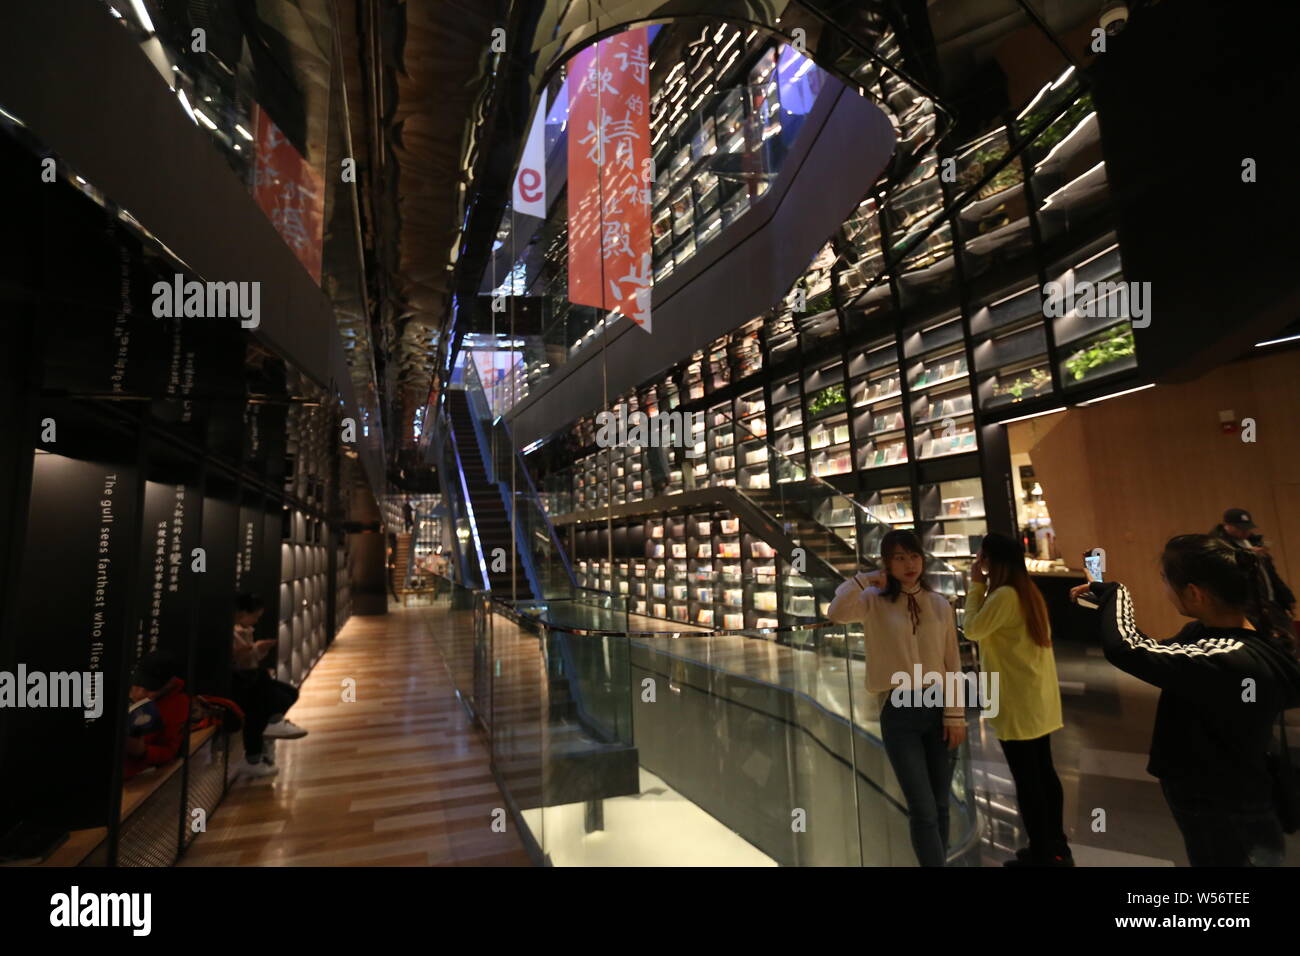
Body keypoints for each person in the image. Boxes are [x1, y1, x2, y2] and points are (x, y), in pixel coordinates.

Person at [1072, 534, 1300, 866]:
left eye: (1165, 581)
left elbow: (1128, 650)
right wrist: (1103, 599)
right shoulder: (1207, 636)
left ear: (1194, 593)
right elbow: (1153, 653)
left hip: (1223, 800)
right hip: (1211, 795)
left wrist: (1117, 594)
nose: (1164, 589)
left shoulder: (1230, 657)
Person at [828, 529, 966, 867]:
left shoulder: (939, 604)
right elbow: (836, 612)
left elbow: (952, 662)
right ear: (887, 563)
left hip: (939, 707)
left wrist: (955, 714)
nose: (909, 564)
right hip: (899, 709)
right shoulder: (874, 600)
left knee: (940, 804)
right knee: (922, 807)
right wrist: (865, 579)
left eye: (914, 556)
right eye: (899, 558)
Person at [965, 531, 1070, 866]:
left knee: (1028, 779)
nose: (979, 561)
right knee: (1044, 773)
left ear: (991, 561)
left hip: (1016, 701)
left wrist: (975, 585)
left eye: (982, 556)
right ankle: (1056, 844)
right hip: (1037, 698)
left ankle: (1041, 851)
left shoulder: (1003, 597)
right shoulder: (1028, 592)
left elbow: (971, 629)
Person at [231, 594, 308, 779]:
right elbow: (237, 661)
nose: (256, 621)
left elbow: (248, 661)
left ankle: (271, 726)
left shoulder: (244, 630)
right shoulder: (231, 632)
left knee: (289, 692)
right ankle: (259, 748)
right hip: (235, 683)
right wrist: (254, 648)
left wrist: (258, 649)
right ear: (242, 613)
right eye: (255, 616)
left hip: (246, 679)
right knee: (261, 704)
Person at [1211, 508, 1296, 628]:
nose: (1245, 532)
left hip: (1271, 603)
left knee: (1287, 638)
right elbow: (1223, 570)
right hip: (1246, 605)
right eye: (1240, 528)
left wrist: (1286, 597)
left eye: (1247, 528)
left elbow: (1270, 575)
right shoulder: (1217, 545)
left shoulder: (1253, 542)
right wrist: (1245, 554)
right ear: (1227, 526)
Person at [124, 652, 190, 779]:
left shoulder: (177, 704)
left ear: (169, 684)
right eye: (138, 684)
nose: (140, 693)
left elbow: (170, 751)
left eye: (150, 688)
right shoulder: (122, 681)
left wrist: (143, 751)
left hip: (134, 773)